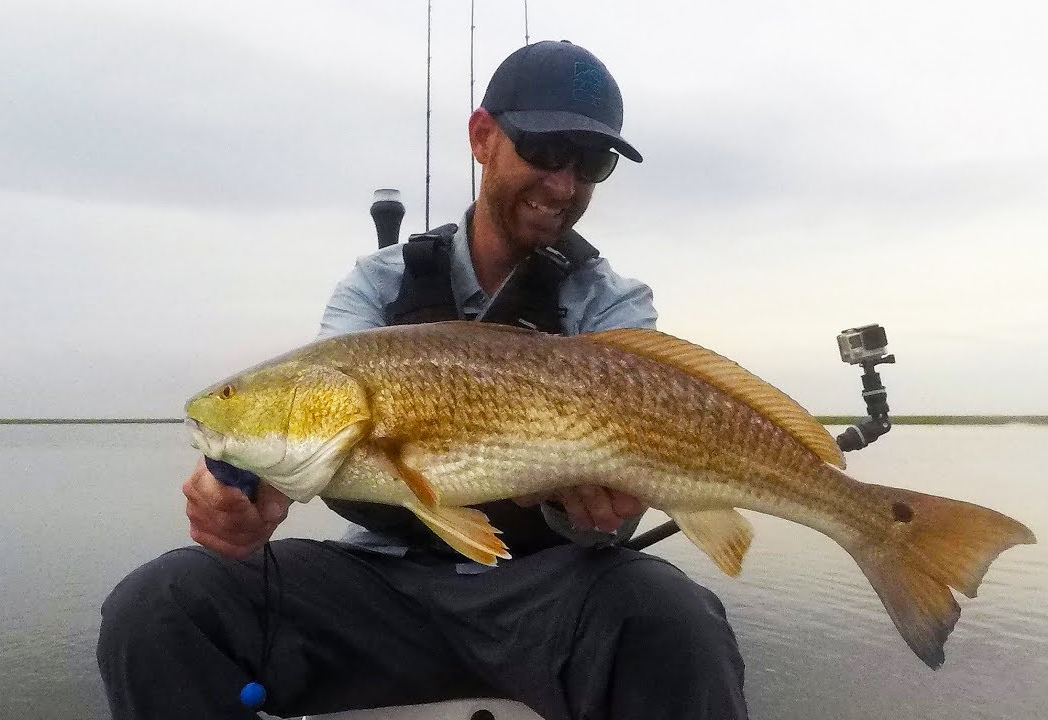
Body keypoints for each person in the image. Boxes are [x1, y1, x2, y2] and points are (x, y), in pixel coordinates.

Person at [98, 40, 749, 720]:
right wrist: (241, 493)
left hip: (550, 598)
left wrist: (591, 514)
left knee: (676, 619)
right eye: (546, 148)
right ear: (482, 137)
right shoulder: (374, 288)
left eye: (592, 162)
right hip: (376, 593)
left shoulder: (614, 307)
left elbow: (618, 507)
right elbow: (306, 435)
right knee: (160, 604)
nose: (563, 183)